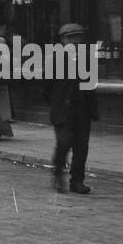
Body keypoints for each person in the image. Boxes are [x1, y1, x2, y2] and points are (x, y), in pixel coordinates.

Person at [44, 23, 98, 195]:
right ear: (62, 40)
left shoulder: (88, 58)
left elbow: (91, 85)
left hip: (82, 109)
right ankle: (58, 174)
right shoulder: (54, 59)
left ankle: (77, 181)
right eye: (70, 38)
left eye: (77, 37)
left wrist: (91, 107)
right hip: (62, 110)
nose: (74, 41)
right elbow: (46, 87)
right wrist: (56, 103)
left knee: (81, 147)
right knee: (64, 143)